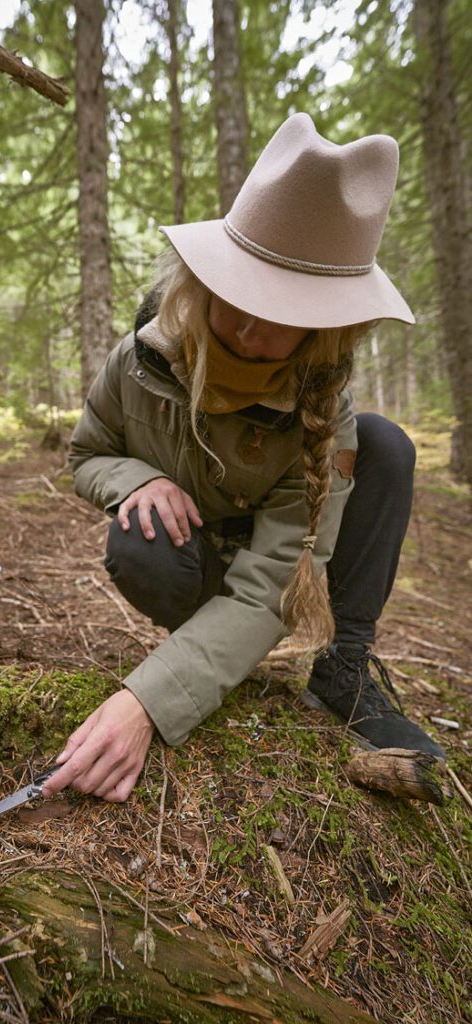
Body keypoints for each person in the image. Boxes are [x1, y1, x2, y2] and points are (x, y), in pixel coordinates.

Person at [42, 112, 445, 805]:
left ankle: (340, 667)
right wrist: (140, 478)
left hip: (267, 576)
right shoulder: (139, 360)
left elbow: (276, 581)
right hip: (190, 562)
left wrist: (146, 704)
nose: (250, 326)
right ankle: (204, 647)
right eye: (239, 294)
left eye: (284, 310)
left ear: (326, 324)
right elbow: (87, 453)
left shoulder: (324, 418)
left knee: (384, 445)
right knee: (140, 539)